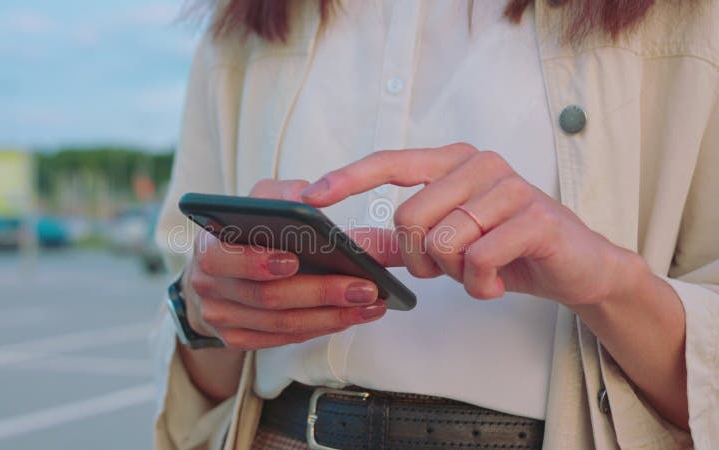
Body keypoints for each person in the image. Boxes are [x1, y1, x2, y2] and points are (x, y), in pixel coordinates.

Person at [151, 1, 719, 448]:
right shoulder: (246, 19)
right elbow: (193, 343)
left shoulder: (691, 18)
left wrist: (613, 285)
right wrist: (206, 310)